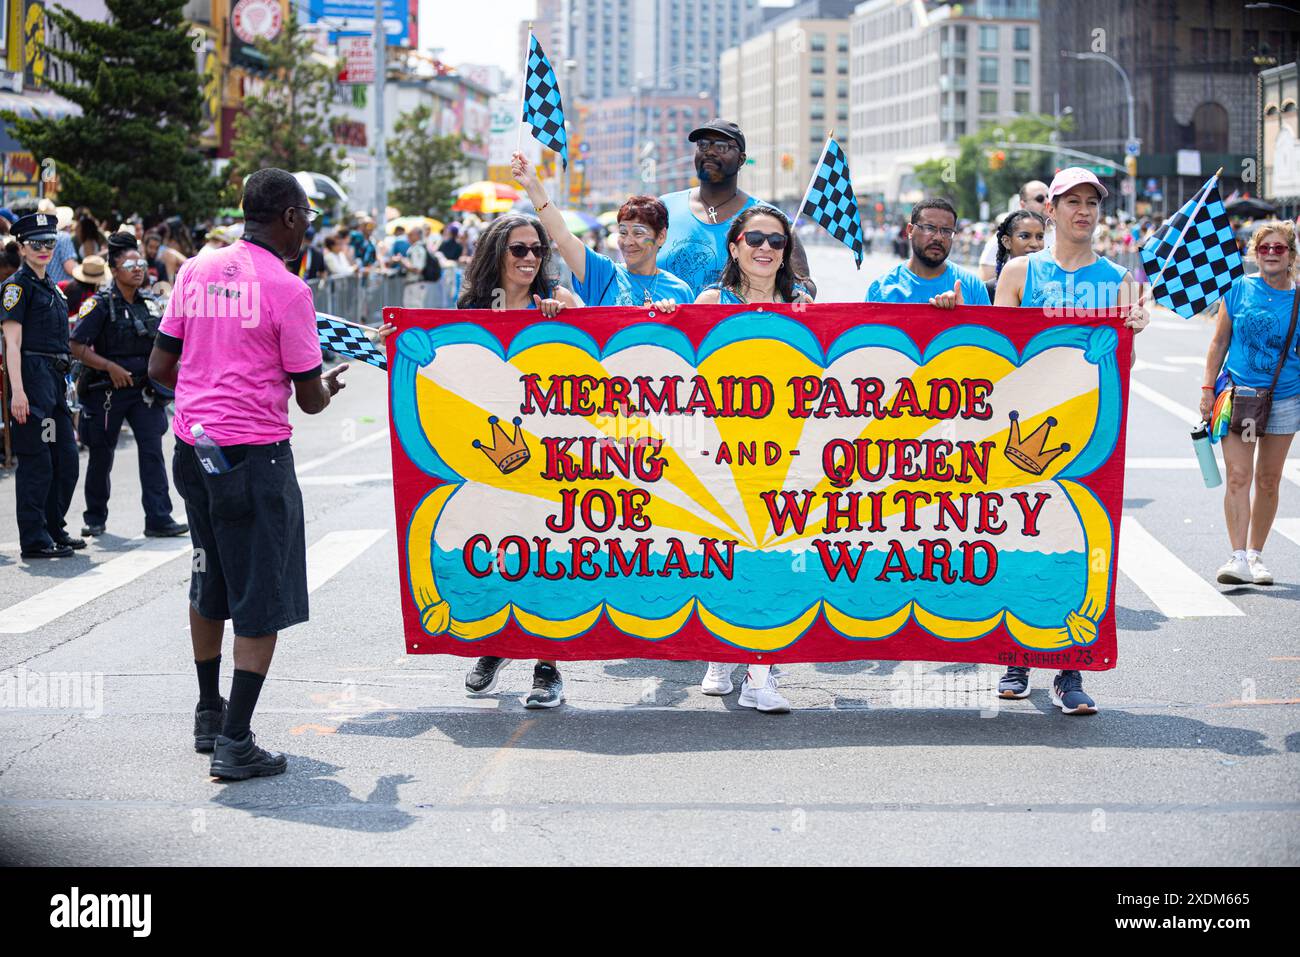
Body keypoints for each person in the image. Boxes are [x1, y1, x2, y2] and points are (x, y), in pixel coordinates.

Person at [148, 168, 349, 780]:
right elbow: (309, 399)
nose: (307, 229)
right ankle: (237, 740)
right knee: (261, 594)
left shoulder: (196, 269)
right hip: (256, 459)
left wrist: (208, 394)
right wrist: (330, 386)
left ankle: (209, 713)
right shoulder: (287, 290)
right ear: (289, 217)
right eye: (306, 218)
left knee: (208, 576)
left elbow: (160, 366)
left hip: (195, 451)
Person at [994, 166, 1150, 715]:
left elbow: (1124, 368)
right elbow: (994, 355)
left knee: (1077, 551)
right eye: (1072, 201)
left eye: (1092, 203)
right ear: (1051, 210)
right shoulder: (1019, 272)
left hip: (1088, 440)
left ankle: (1068, 671)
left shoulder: (1119, 279)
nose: (1083, 211)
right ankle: (1013, 653)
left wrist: (1134, 326)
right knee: (1019, 537)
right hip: (1022, 433)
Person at [657, 206, 811, 714]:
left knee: (770, 556)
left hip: (782, 456)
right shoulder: (709, 300)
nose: (765, 248)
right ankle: (721, 654)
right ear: (734, 245)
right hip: (719, 453)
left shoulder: (803, 303)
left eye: (776, 240)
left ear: (786, 251)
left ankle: (761, 675)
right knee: (721, 555)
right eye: (754, 238)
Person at [456, 214, 578, 708]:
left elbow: (599, 362)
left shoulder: (561, 301)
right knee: (496, 553)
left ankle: (547, 666)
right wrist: (399, 344)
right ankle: (497, 643)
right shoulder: (471, 308)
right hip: (493, 454)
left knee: (548, 557)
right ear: (496, 254)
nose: (530, 259)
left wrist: (564, 321)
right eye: (518, 250)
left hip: (550, 457)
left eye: (537, 250)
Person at [1200, 221, 1299, 586]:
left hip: (1285, 398)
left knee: (1269, 480)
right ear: (1254, 253)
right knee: (1239, 476)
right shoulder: (1239, 288)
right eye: (1264, 248)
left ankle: (1256, 555)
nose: (1271, 253)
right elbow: (1218, 342)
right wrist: (1207, 388)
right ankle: (1237, 556)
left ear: (1291, 254)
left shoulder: (1298, 297)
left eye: (1279, 248)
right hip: (1238, 397)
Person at [70, 235, 188, 540]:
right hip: (107, 391)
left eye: (141, 264)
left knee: (152, 451)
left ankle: (159, 518)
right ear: (114, 269)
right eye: (130, 264)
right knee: (101, 455)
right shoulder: (98, 305)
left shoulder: (151, 303)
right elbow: (76, 345)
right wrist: (109, 366)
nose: (138, 269)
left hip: (144, 392)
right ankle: (95, 517)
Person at [656, 118, 815, 299]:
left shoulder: (769, 220)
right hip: (666, 326)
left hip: (737, 326)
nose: (710, 152)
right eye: (703, 145)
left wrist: (789, 292)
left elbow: (805, 286)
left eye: (722, 147)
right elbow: (635, 270)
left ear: (741, 159)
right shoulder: (665, 208)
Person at [1, 212, 83, 559]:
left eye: (50, 242)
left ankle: (53, 528)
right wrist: (18, 391)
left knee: (66, 458)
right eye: (36, 244)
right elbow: (12, 345)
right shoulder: (16, 287)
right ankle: (34, 539)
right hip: (31, 377)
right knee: (37, 463)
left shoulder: (49, 285)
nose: (44, 249)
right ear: (21, 248)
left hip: (55, 377)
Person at [512, 150, 693, 306]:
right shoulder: (603, 274)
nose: (628, 241)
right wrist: (533, 185)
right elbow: (563, 237)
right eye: (623, 232)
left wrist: (669, 315)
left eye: (638, 233)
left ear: (661, 236)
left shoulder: (680, 291)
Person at [865, 198, 991, 308]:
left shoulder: (973, 286)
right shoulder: (882, 290)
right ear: (910, 230)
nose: (938, 237)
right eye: (929, 228)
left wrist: (964, 315)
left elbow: (987, 335)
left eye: (946, 231)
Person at [977, 179, 1052, 282]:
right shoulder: (1002, 237)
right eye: (1040, 199)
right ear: (1022, 204)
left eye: (1049, 197)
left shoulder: (1061, 235)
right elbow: (986, 285)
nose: (1047, 202)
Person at [983, 209, 1047, 302]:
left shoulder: (1053, 285)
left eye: (1040, 237)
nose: (1035, 244)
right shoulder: (988, 290)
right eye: (1025, 236)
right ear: (1007, 241)